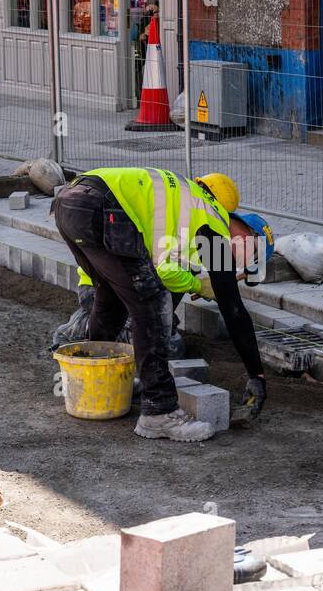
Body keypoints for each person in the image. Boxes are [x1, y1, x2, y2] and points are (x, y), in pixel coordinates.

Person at [52, 168, 268, 443]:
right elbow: (233, 309)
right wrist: (256, 375)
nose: (243, 260)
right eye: (251, 249)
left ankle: (97, 386)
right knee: (151, 301)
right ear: (243, 229)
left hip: (69, 202)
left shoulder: (187, 198)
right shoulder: (212, 219)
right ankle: (159, 410)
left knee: (112, 295)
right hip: (100, 208)